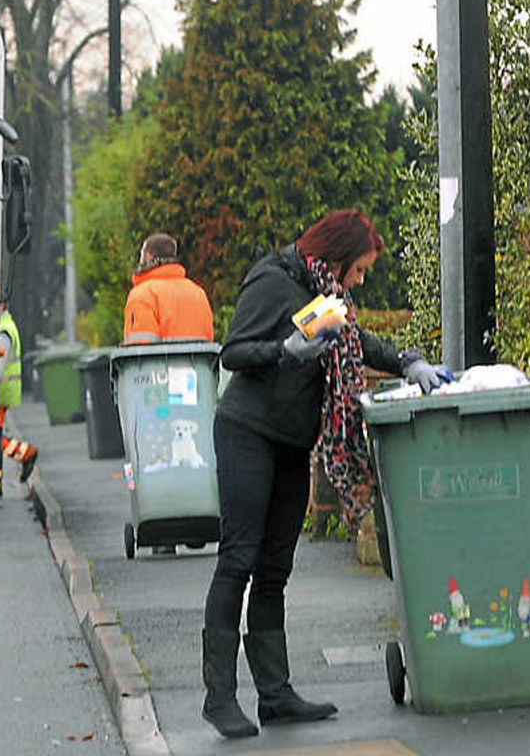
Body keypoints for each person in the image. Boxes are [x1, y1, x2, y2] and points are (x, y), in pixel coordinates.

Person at [200, 209, 450, 738]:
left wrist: (409, 362)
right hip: (247, 431)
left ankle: (275, 695)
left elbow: (358, 343)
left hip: (292, 441)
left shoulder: (327, 296)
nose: (359, 281)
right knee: (239, 559)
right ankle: (219, 697)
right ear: (336, 257)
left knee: (274, 570)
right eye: (358, 270)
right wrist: (285, 352)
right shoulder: (274, 279)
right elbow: (235, 352)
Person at [122, 233, 214, 344]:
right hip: (198, 362)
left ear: (147, 256)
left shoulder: (142, 295)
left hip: (159, 362)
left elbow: (139, 353)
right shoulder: (199, 293)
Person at [0, 302, 37, 494]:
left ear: (1, 306)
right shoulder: (7, 326)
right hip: (5, 390)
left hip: (1, 391)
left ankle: (26, 454)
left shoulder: (4, 330)